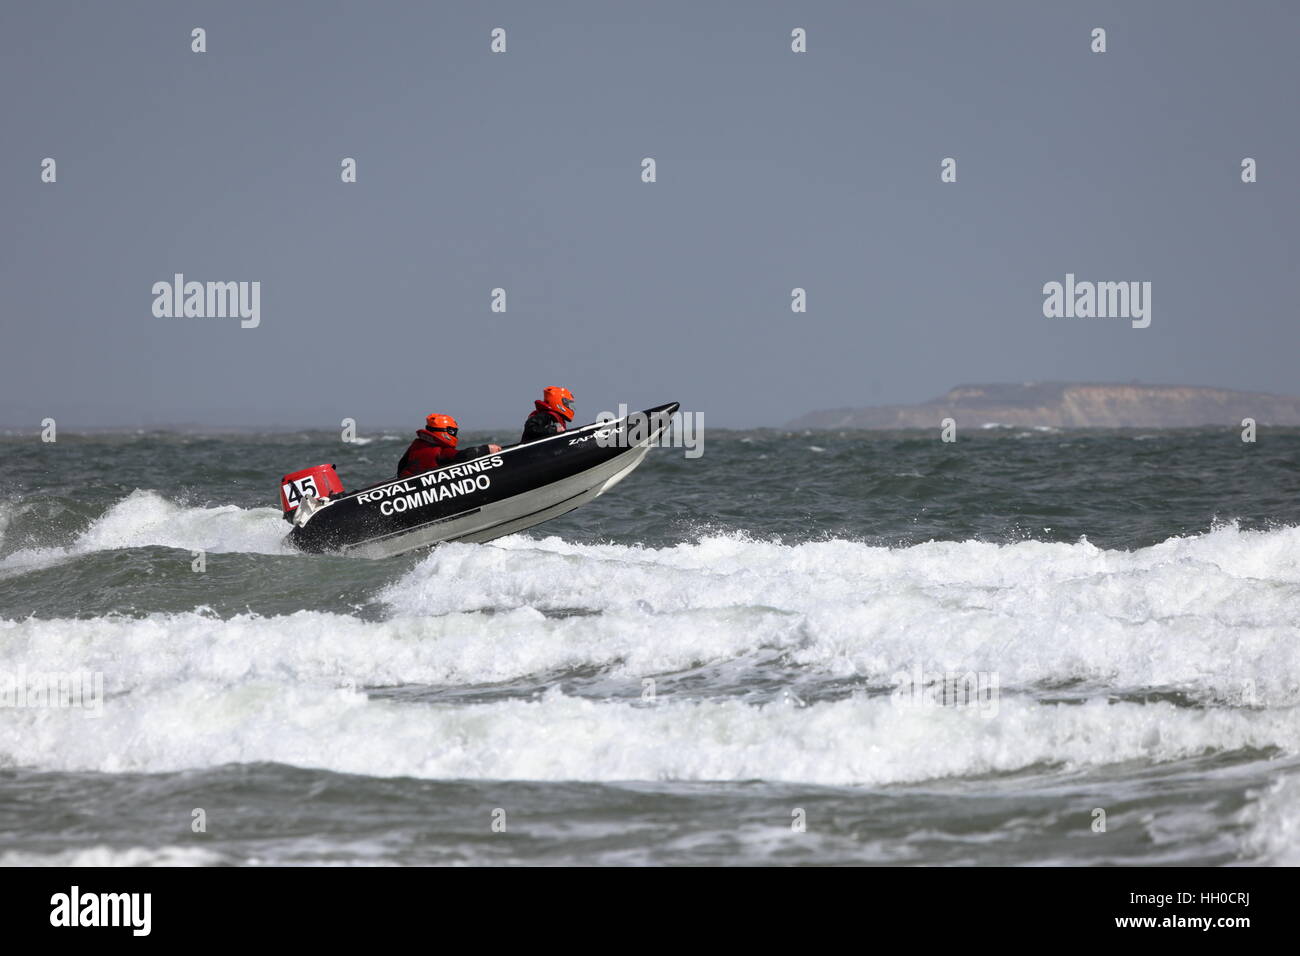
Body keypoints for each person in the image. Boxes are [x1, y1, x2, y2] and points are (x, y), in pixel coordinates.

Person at [397, 413, 501, 478]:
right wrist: (487, 449)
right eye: (454, 432)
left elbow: (401, 465)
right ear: (447, 432)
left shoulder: (417, 445)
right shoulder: (441, 451)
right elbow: (465, 455)